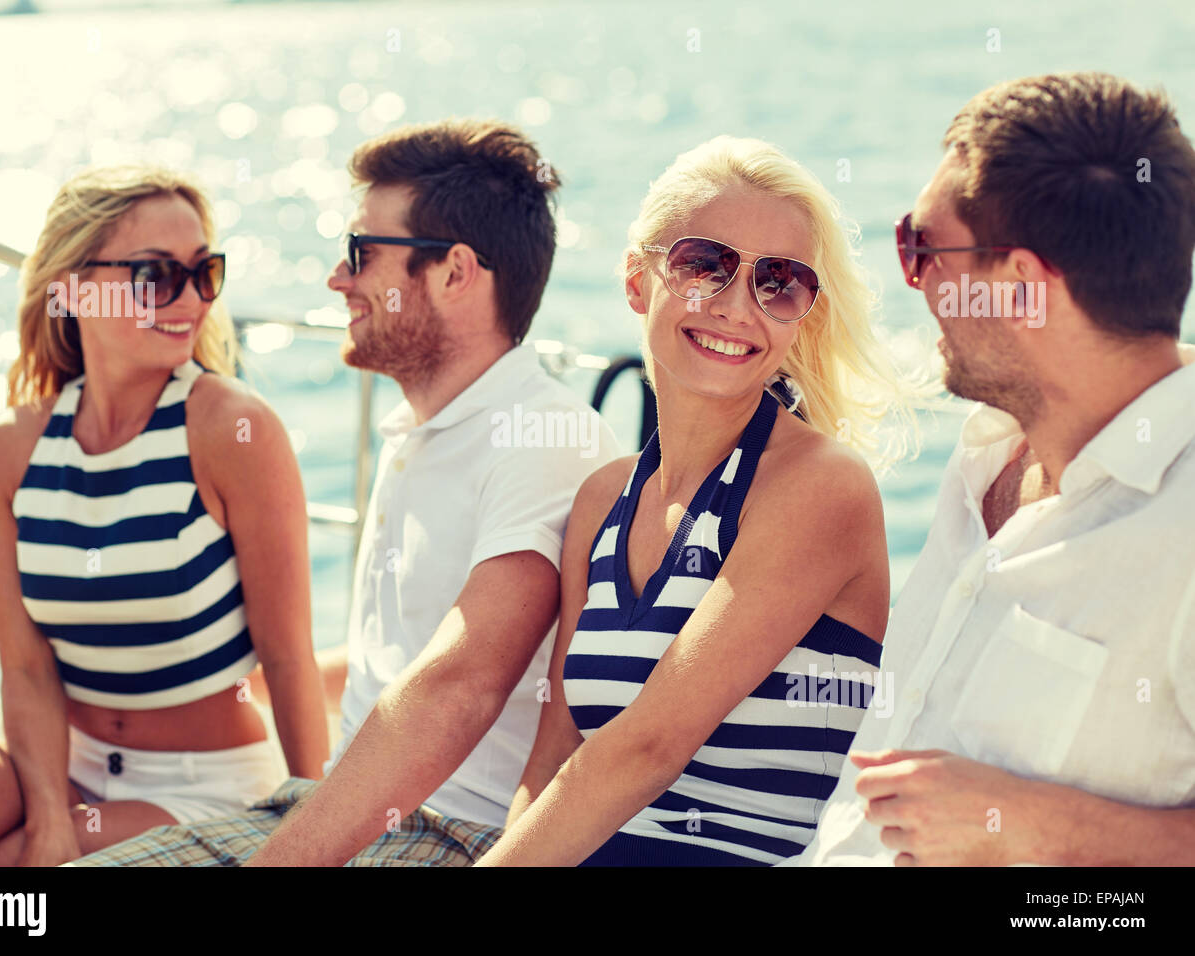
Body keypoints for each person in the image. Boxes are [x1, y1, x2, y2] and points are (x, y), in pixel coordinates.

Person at [69, 118, 623, 867]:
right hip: (339, 806)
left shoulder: (548, 441)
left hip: (454, 834)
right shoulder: (423, 434)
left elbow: (458, 687)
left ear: (455, 273)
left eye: (361, 254)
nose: (338, 279)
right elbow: (393, 666)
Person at [476, 135, 921, 866]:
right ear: (636, 281)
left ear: (800, 314)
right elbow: (556, 753)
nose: (735, 307)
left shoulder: (819, 488)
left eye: (777, 283)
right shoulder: (601, 501)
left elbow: (648, 747)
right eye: (703, 265)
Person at [786, 71, 1195, 866]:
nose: (915, 278)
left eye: (924, 248)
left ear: (1023, 290)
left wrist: (1035, 823)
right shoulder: (989, 450)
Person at [0, 166, 331, 866]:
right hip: (60, 768)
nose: (189, 299)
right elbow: (25, 666)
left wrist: (319, 830)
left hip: (206, 787)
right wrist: (50, 811)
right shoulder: (13, 449)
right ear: (71, 286)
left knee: (3, 884)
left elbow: (290, 658)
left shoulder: (231, 430)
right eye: (155, 274)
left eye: (205, 273)